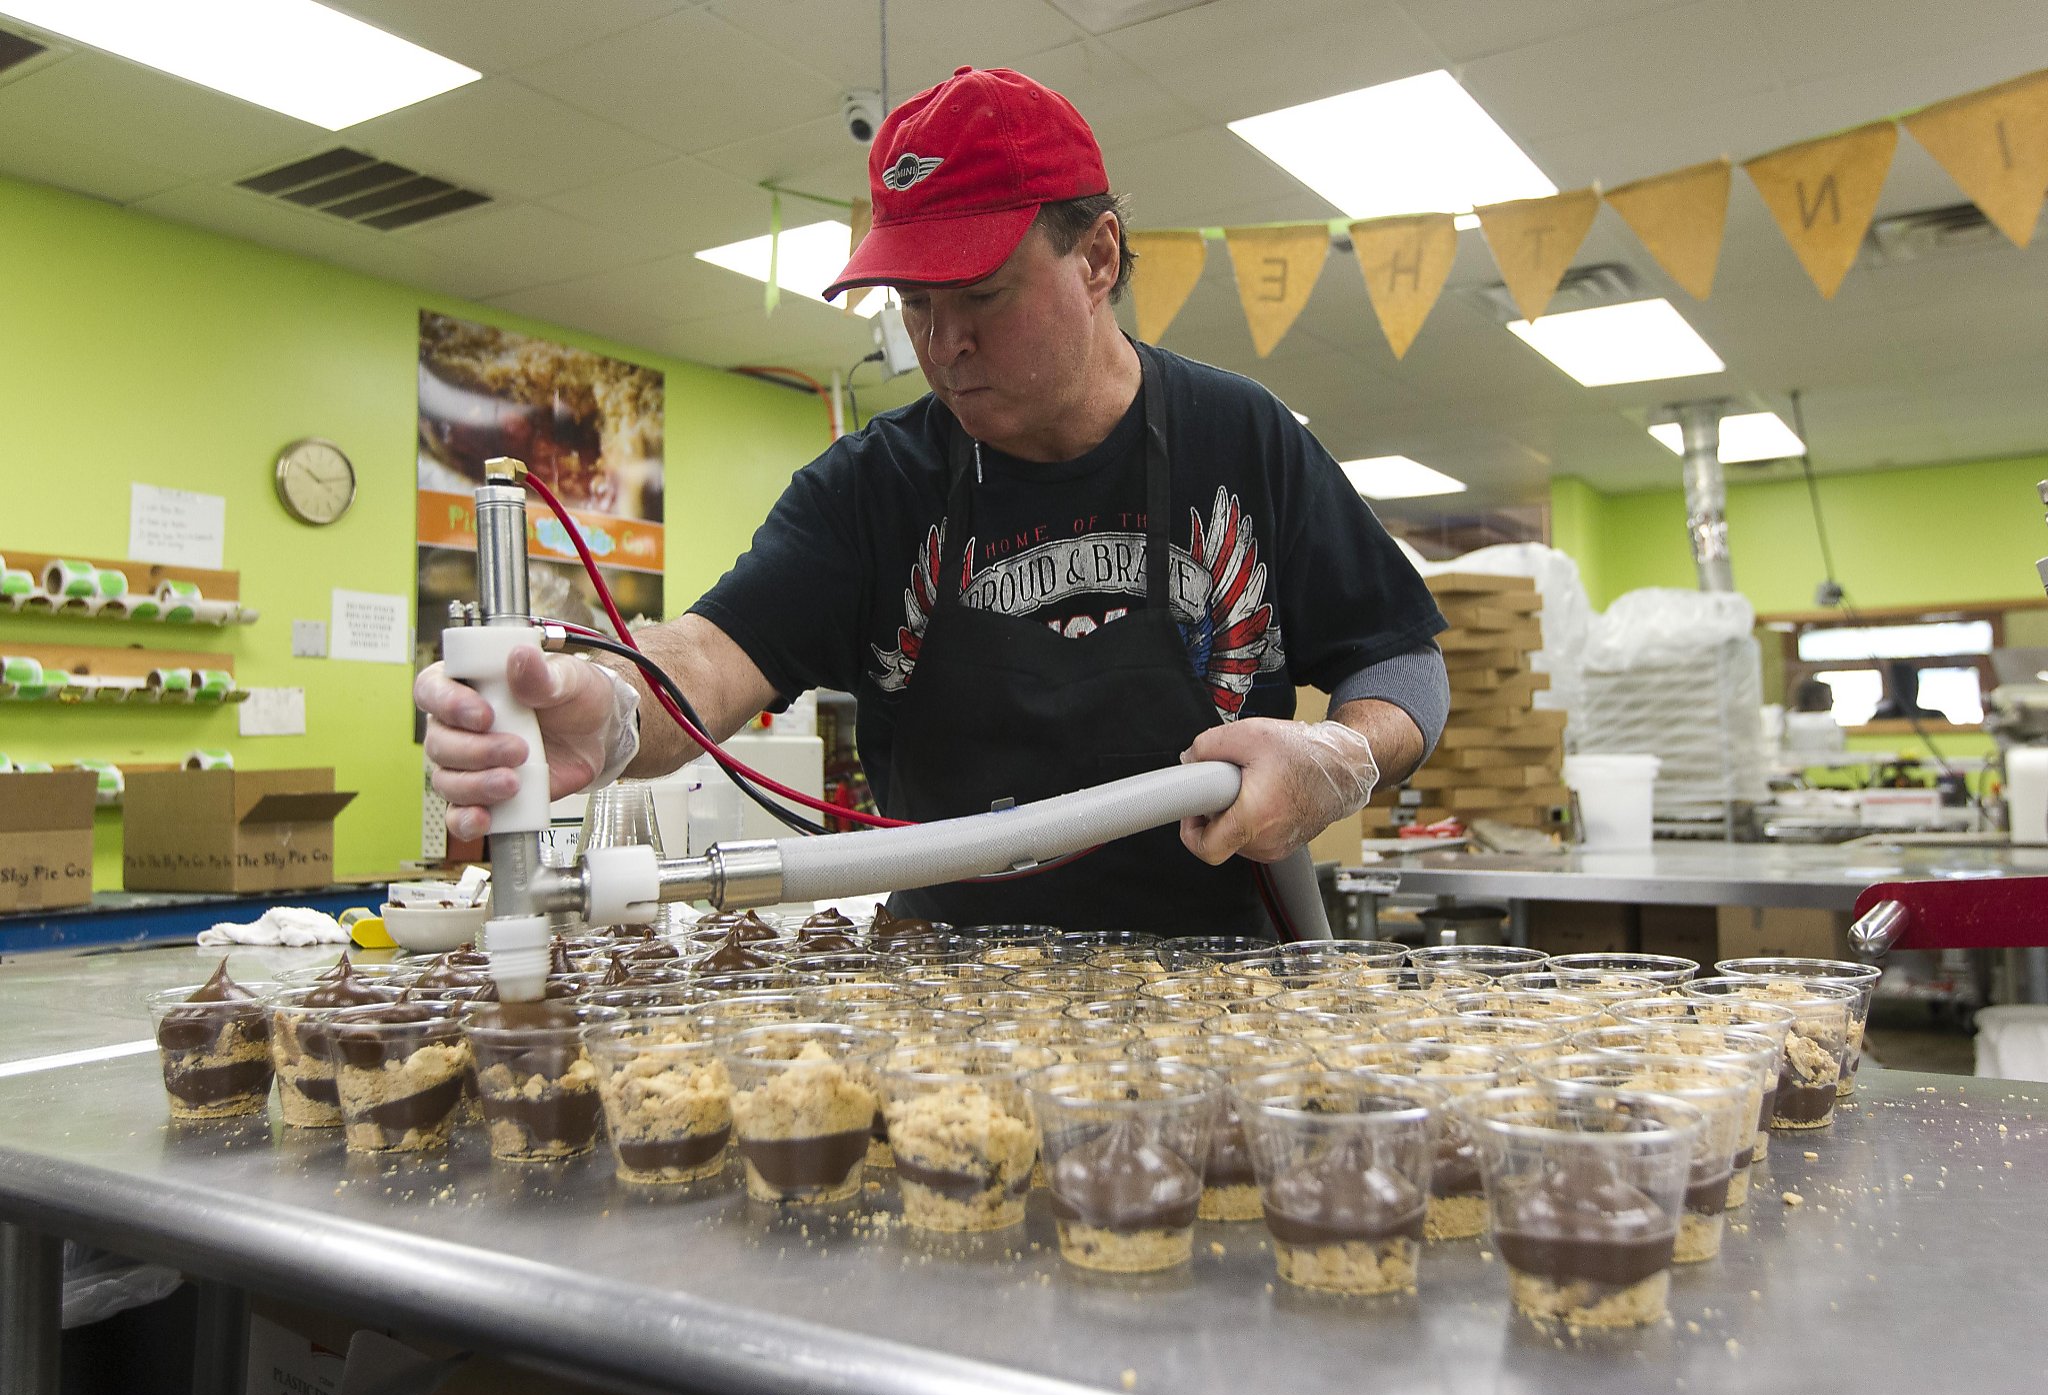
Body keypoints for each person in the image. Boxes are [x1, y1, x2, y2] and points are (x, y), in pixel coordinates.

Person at [415, 66, 1450, 936]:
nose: (942, 343)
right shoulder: (873, 488)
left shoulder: (1242, 438)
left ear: (1095, 258)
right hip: (943, 1009)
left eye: (982, 295)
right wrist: (610, 713)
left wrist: (1342, 753)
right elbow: (708, 659)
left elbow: (1398, 653)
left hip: (1215, 993)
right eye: (913, 301)